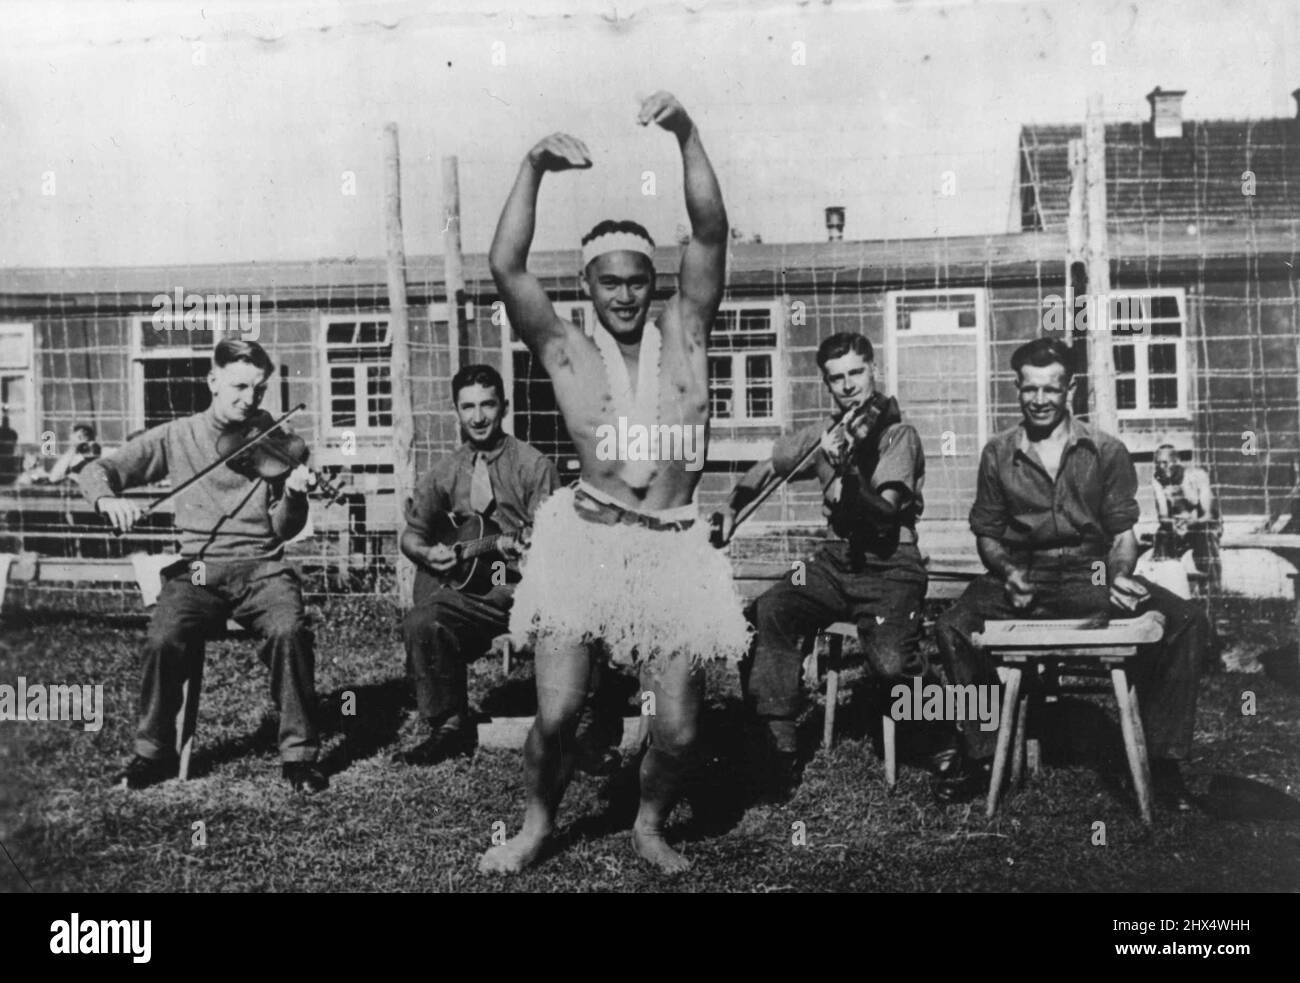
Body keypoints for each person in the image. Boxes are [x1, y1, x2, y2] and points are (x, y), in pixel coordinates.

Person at [479, 91, 750, 874]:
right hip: (586, 538)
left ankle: (649, 822)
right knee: (559, 712)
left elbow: (710, 229)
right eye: (609, 282)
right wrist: (532, 164)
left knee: (682, 730)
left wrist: (687, 132)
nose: (625, 295)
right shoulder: (566, 350)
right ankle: (534, 825)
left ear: (652, 281)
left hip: (672, 545)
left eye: (637, 280)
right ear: (589, 286)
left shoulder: (688, 331)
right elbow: (505, 264)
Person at [932, 338, 1207, 810]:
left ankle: (1163, 764)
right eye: (1029, 390)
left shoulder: (1106, 450)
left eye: (1050, 390)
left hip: (1092, 573)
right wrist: (1007, 570)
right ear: (1016, 389)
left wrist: (1120, 574)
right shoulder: (998, 453)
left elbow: (1123, 535)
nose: (1039, 400)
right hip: (1022, 576)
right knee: (952, 627)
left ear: (1070, 390)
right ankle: (980, 754)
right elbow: (988, 536)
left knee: (1185, 622)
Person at [77, 339, 328, 793]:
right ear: (212, 381)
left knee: (289, 630)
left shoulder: (279, 444)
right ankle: (151, 754)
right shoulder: (179, 435)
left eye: (258, 389)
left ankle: (299, 755)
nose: (249, 400)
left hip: (262, 566)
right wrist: (108, 499)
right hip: (196, 570)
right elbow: (97, 470)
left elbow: (285, 529)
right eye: (238, 387)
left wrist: (294, 493)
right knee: (163, 635)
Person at [725, 332, 930, 798]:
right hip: (836, 560)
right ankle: (778, 743)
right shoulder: (828, 435)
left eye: (856, 373)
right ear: (827, 384)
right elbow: (771, 467)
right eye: (836, 379)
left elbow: (882, 511)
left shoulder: (898, 434)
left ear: (873, 370)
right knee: (771, 609)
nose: (849, 386)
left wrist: (846, 472)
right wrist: (730, 510)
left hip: (889, 562)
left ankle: (940, 733)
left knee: (893, 663)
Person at [395, 364, 560, 765]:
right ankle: (448, 725)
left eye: (488, 404)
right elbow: (411, 536)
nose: (479, 416)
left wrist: (524, 548)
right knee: (422, 619)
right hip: (472, 595)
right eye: (468, 407)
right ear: (457, 411)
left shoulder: (533, 466)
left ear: (503, 406)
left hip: (527, 587)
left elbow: (555, 544)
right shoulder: (445, 471)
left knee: (571, 618)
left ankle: (580, 724)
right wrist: (427, 554)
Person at [1151, 444, 1221, 590]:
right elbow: (1163, 516)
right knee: (1161, 536)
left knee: (1206, 535)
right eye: (1158, 463)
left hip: (1203, 522)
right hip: (1177, 524)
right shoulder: (1158, 480)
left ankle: (1213, 587)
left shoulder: (1197, 476)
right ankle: (1165, 588)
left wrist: (1189, 523)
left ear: (1177, 462)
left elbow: (1208, 513)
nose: (1162, 467)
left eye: (1165, 462)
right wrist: (1173, 525)